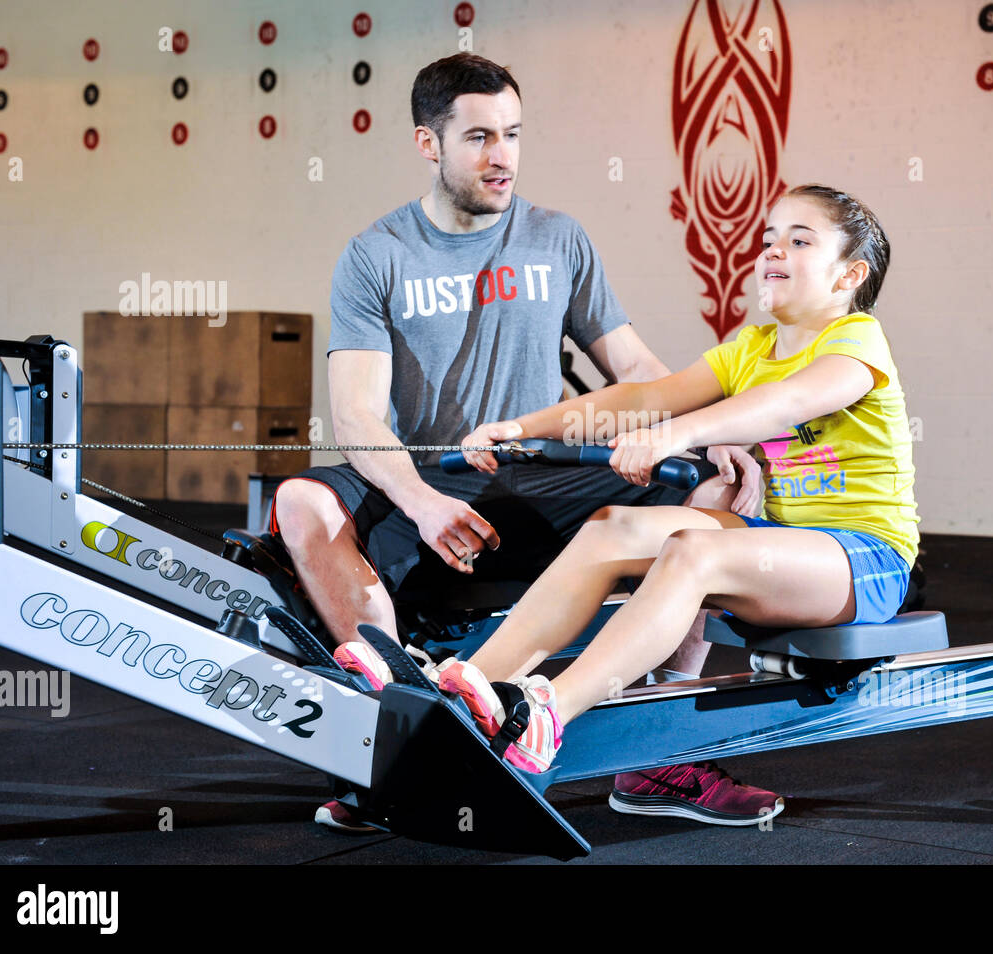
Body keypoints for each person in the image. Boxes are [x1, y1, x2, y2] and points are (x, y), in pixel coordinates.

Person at [266, 53, 775, 830]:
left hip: (543, 478)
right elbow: (359, 419)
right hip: (430, 479)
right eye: (477, 137)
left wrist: (720, 430)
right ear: (427, 143)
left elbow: (634, 367)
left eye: (511, 134)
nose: (500, 155)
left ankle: (654, 751)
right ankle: (402, 735)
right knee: (302, 501)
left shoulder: (558, 239)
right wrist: (425, 503)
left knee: (707, 486)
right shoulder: (377, 256)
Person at [438, 185, 921, 811]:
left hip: (867, 559)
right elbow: (640, 398)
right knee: (613, 526)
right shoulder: (752, 347)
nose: (774, 250)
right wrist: (522, 427)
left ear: (849, 274)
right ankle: (474, 688)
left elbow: (788, 402)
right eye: (770, 237)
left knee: (692, 549)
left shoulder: (856, 340)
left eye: (800, 241)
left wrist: (678, 431)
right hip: (785, 546)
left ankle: (548, 711)